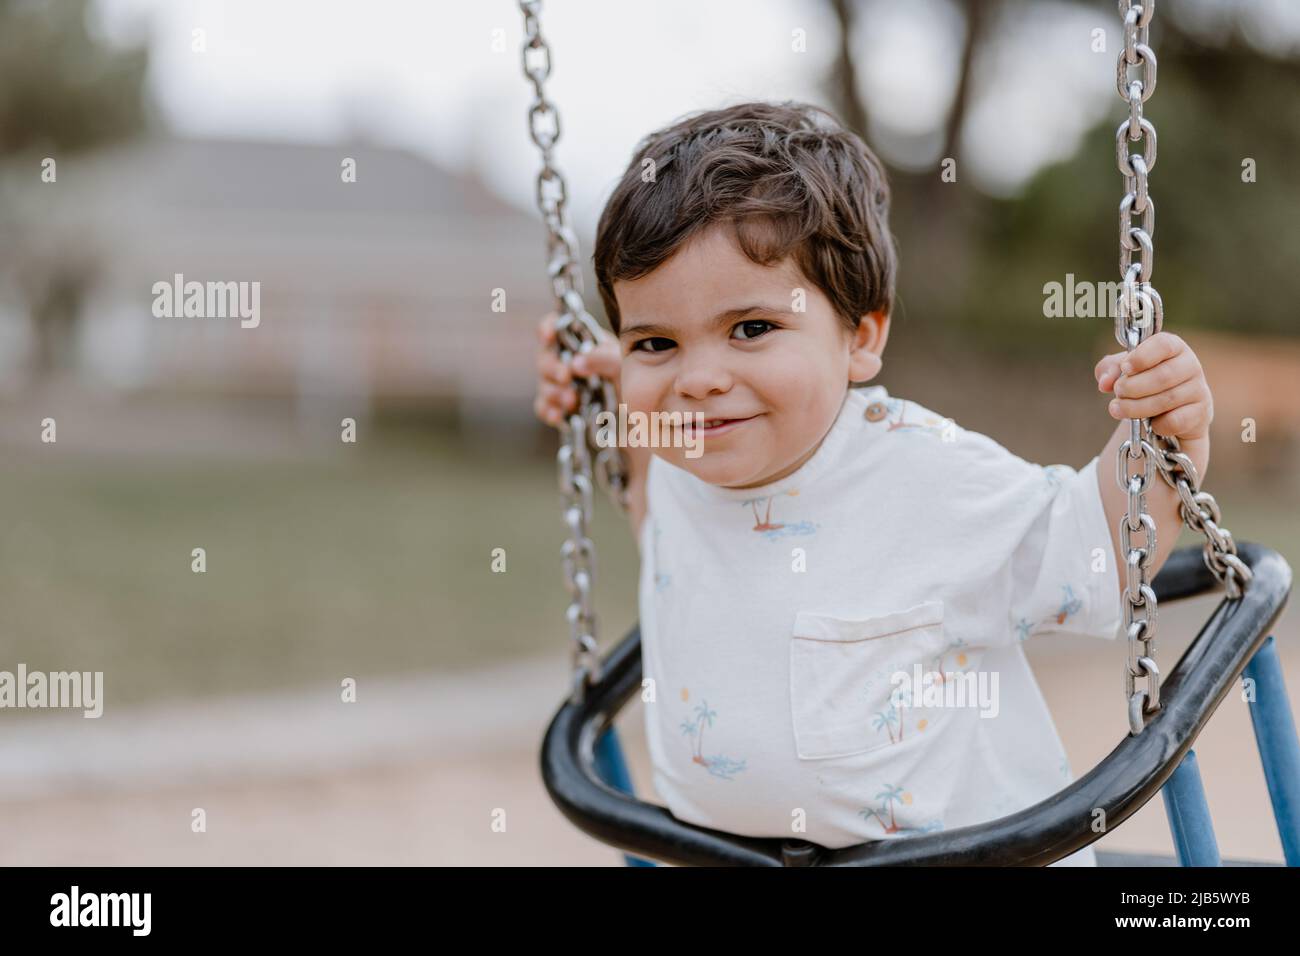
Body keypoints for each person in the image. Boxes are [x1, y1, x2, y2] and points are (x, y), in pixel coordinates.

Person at [533, 101, 1213, 865]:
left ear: (861, 337)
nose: (697, 380)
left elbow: (1102, 558)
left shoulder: (926, 477)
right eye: (656, 342)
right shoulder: (677, 462)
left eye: (751, 330)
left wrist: (1162, 434)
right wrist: (605, 387)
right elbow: (664, 515)